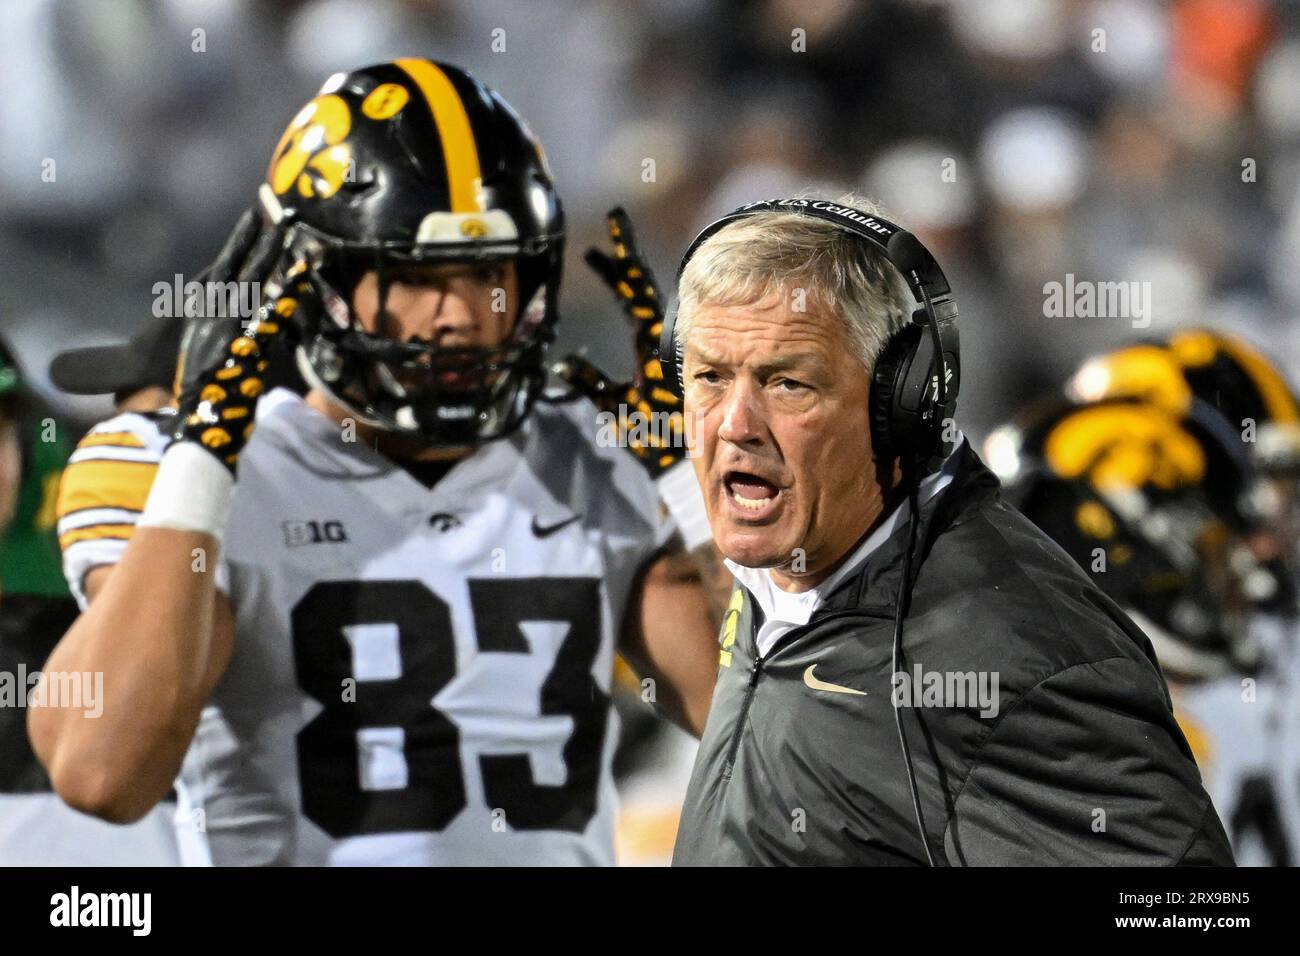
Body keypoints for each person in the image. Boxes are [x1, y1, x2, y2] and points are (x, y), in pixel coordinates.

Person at [31, 59, 722, 866]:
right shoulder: (173, 462)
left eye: (488, 273)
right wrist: (201, 466)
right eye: (417, 278)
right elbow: (101, 771)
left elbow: (763, 729)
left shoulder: (590, 449)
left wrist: (698, 489)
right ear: (313, 277)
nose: (462, 317)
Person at [666, 194, 1234, 865]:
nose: (733, 424)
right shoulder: (783, 574)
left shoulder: (1018, 666)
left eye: (788, 383)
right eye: (708, 377)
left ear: (900, 409)